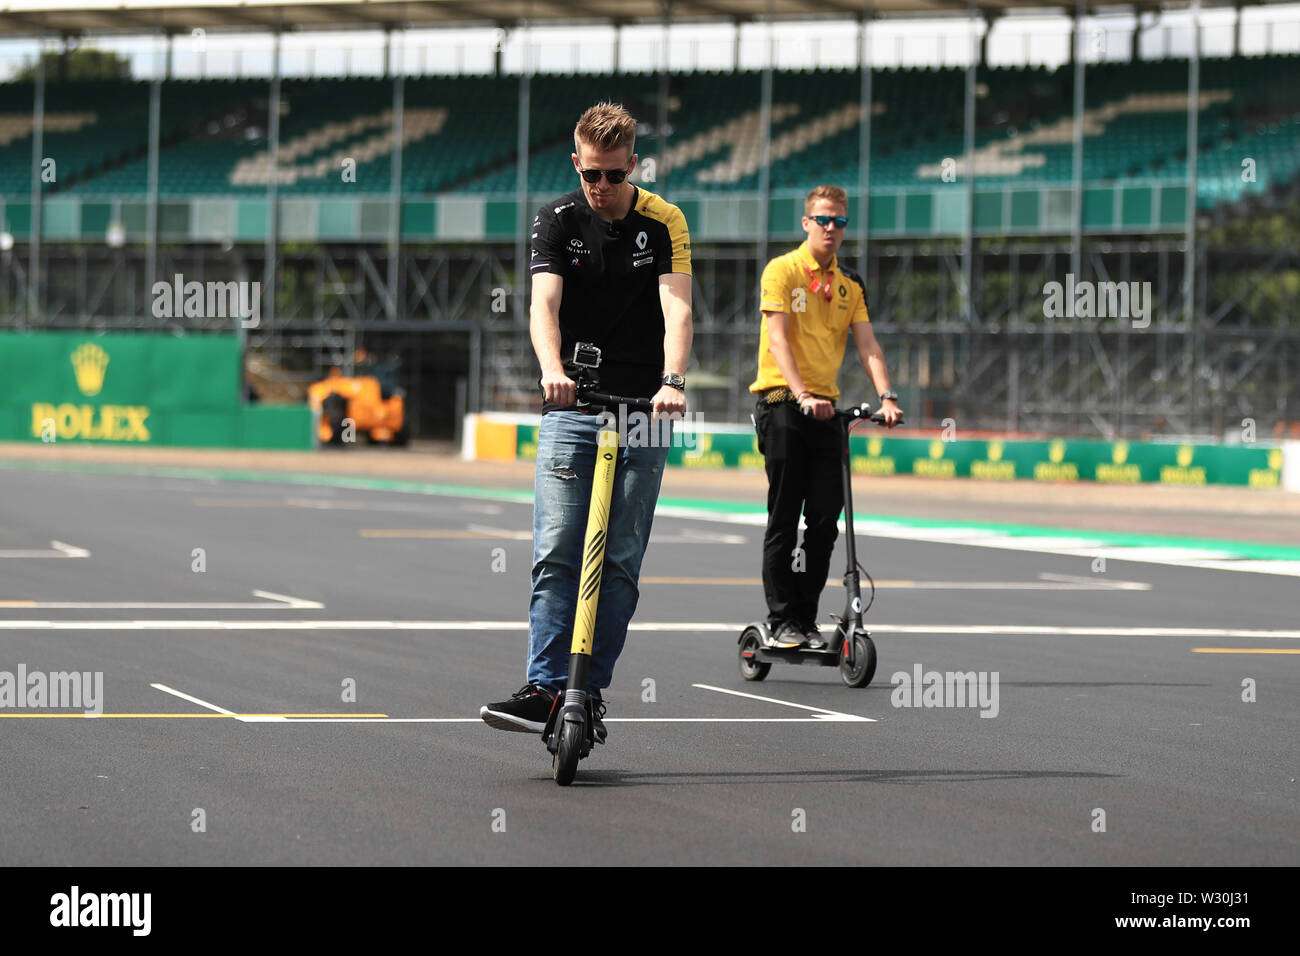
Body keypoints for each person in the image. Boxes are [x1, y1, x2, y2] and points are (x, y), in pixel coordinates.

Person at [480, 102, 693, 743]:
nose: (599, 188)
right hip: (573, 403)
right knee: (557, 552)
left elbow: (677, 311)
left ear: (633, 165)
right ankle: (545, 689)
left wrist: (672, 382)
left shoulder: (664, 221)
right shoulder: (556, 218)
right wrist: (552, 369)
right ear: (576, 163)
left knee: (621, 562)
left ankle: (587, 691)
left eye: (612, 175)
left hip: (647, 409)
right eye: (589, 174)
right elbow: (544, 305)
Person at [750, 184, 902, 649]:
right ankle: (780, 620)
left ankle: (805, 617)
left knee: (823, 521)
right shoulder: (783, 270)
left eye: (839, 221)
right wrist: (800, 394)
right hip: (782, 403)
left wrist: (887, 396)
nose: (831, 229)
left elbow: (868, 345)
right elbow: (778, 340)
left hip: (826, 411)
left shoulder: (849, 284)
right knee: (784, 514)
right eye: (823, 220)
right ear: (806, 223)